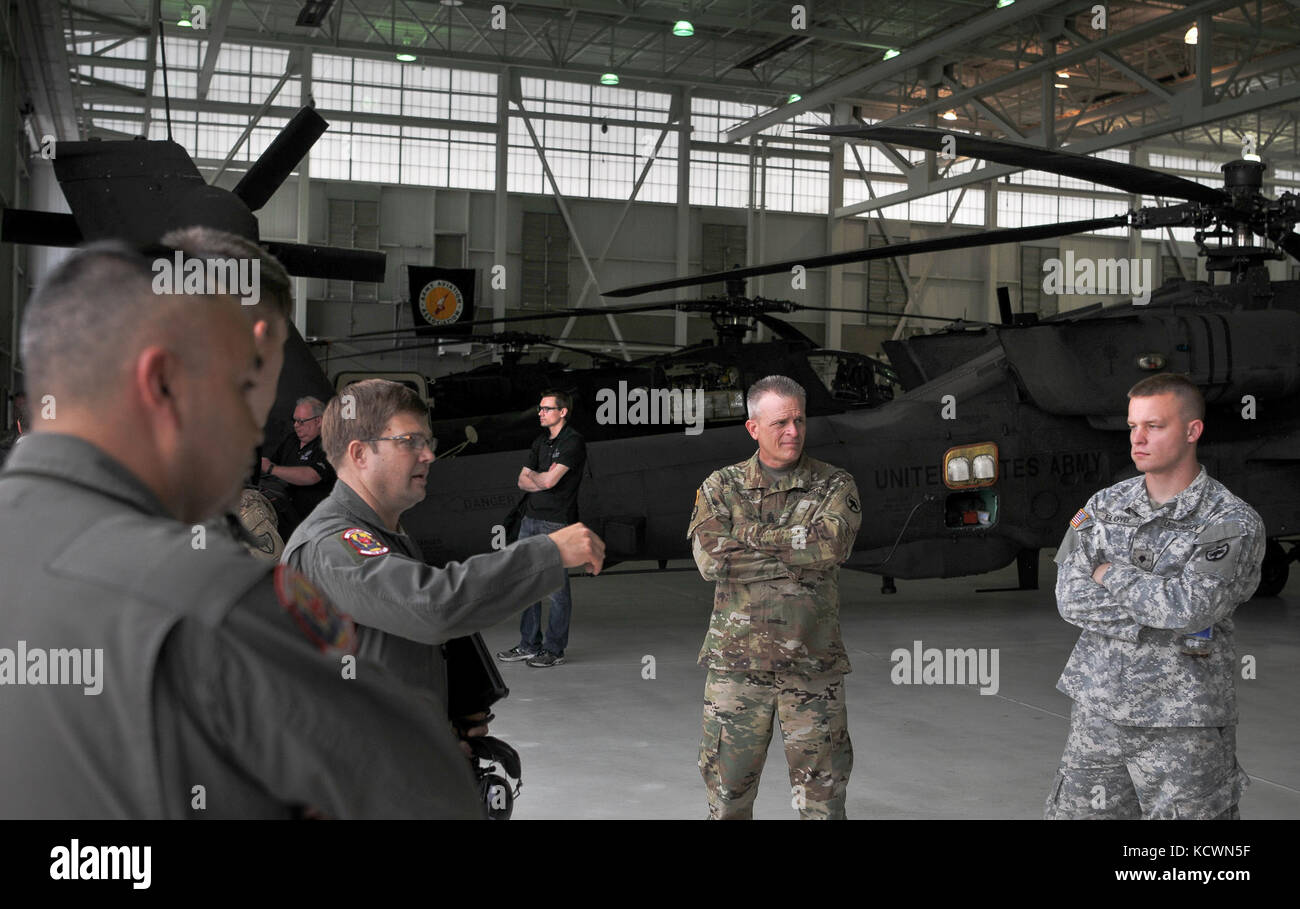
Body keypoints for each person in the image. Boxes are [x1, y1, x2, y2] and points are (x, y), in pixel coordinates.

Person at [0, 239, 483, 818]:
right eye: (243, 392)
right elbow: (428, 797)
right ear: (164, 382)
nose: (252, 435)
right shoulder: (220, 604)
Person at [282, 379, 605, 729]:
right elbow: (432, 605)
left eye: (428, 441)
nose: (429, 455)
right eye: (410, 442)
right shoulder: (332, 543)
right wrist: (549, 552)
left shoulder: (387, 534)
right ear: (360, 454)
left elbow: (391, 652)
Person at [1045, 373, 1266, 820]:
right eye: (1132, 426)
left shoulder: (1229, 522)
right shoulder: (1105, 507)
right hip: (1099, 713)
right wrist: (1155, 614)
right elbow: (1070, 597)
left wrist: (1108, 573)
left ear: (1192, 431)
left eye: (1155, 426)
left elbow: (1192, 607)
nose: (1138, 438)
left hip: (1183, 723)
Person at [687, 375, 862, 820]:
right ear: (753, 427)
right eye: (781, 422)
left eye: (800, 420)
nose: (793, 431)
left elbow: (832, 547)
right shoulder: (720, 486)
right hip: (736, 671)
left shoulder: (834, 485)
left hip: (812, 668)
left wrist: (744, 535)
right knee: (728, 801)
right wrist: (796, 554)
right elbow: (712, 562)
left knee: (823, 804)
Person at [497, 389, 587, 668]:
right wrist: (541, 478)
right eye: (540, 408)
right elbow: (522, 481)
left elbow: (549, 482)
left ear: (562, 412)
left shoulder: (573, 442)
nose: (540, 413)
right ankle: (528, 645)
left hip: (556, 522)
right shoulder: (540, 442)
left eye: (547, 409)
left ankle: (554, 649)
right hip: (530, 519)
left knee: (556, 590)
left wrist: (539, 478)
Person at [260, 395, 335, 530]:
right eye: (294, 421)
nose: (295, 426)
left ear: (318, 421)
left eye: (301, 421)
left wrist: (271, 468)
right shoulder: (292, 440)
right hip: (284, 513)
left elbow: (312, 476)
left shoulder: (330, 444)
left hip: (314, 521)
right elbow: (272, 462)